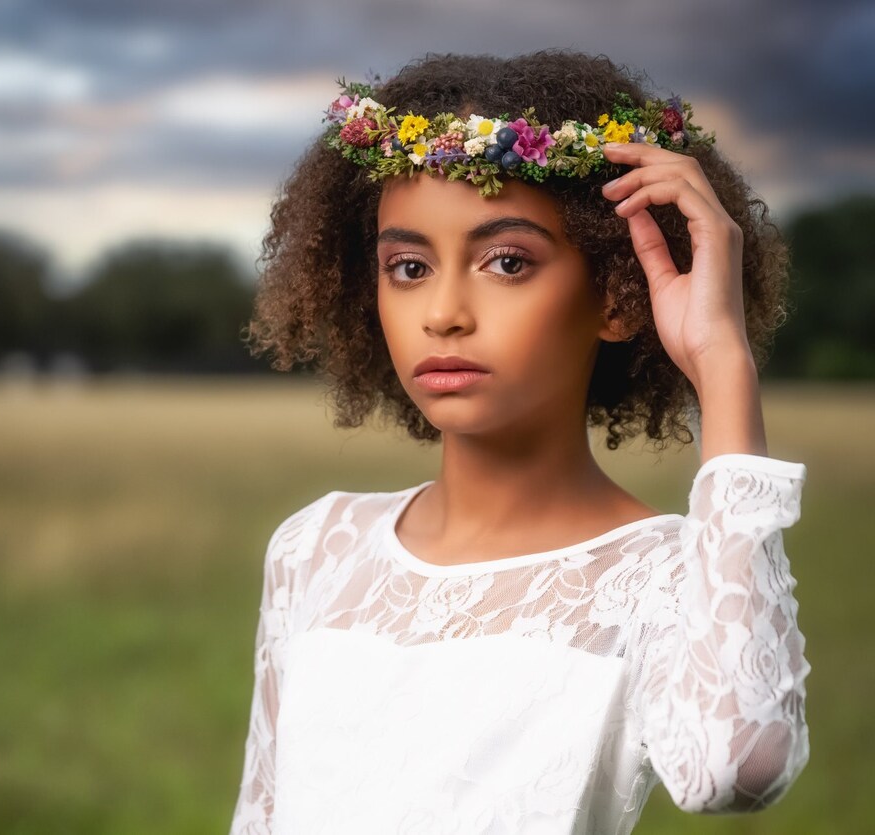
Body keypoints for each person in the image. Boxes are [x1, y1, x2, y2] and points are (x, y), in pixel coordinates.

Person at [229, 49, 810, 834]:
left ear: (618, 295)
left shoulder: (665, 578)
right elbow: (259, 816)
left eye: (506, 262)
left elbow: (740, 764)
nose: (443, 313)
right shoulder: (315, 549)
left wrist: (721, 360)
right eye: (408, 267)